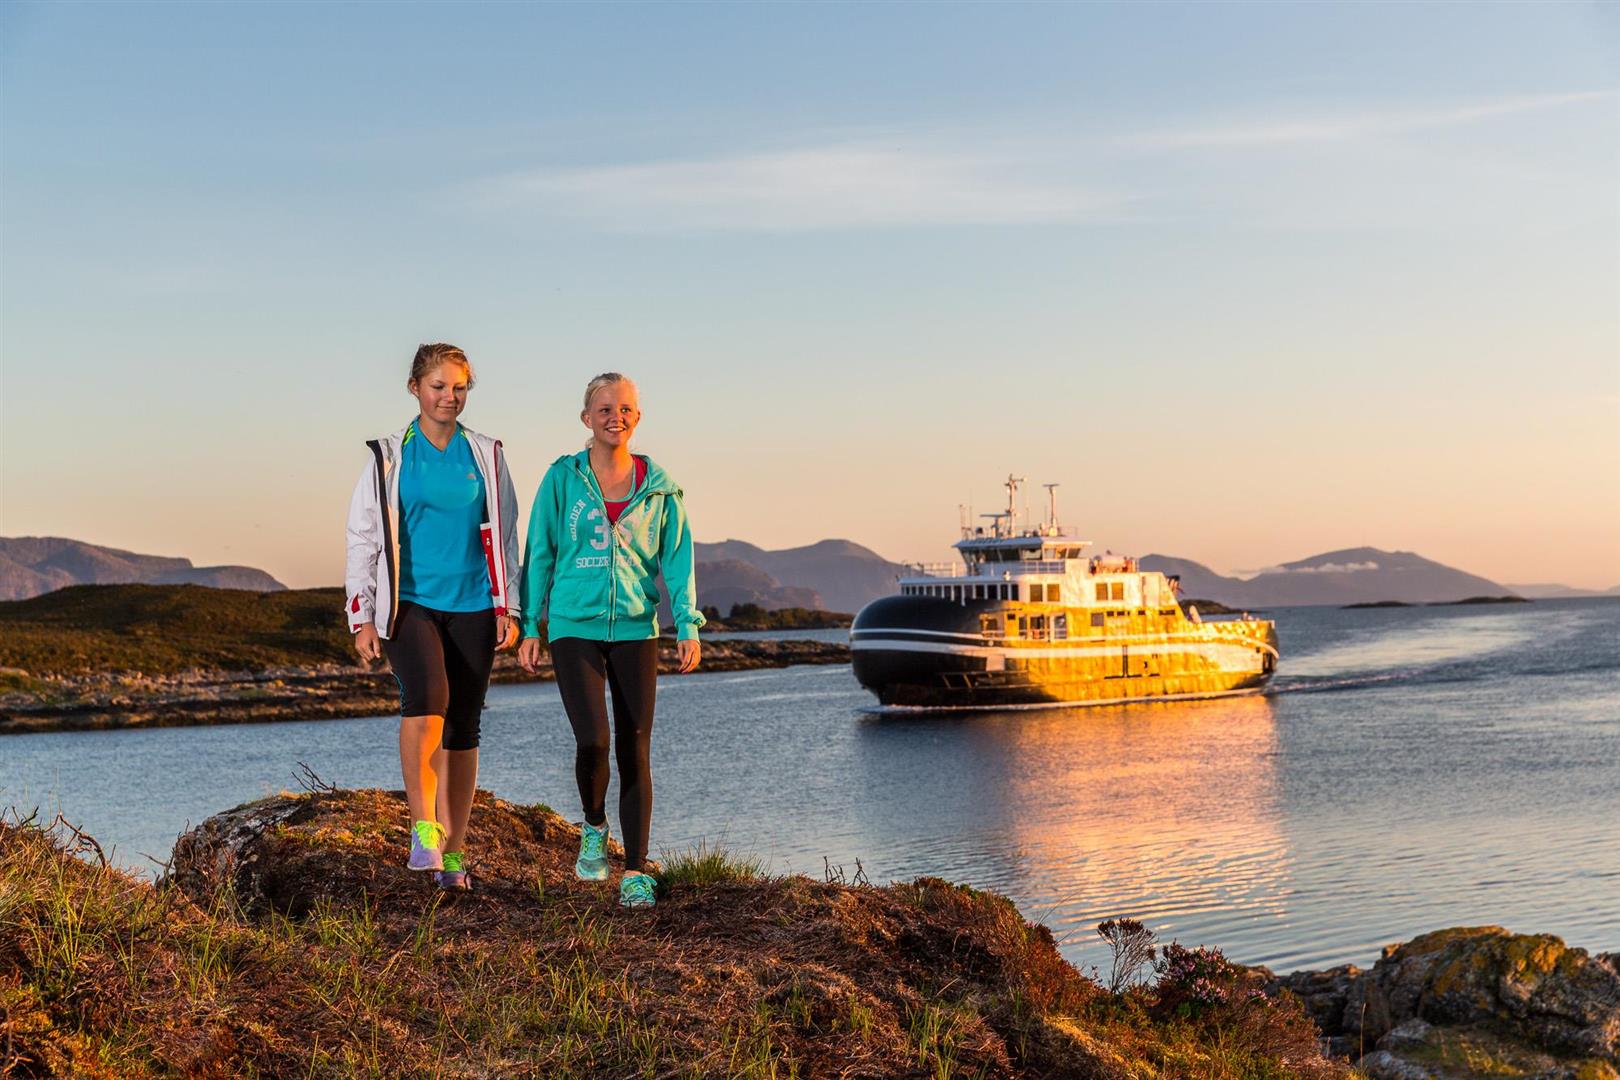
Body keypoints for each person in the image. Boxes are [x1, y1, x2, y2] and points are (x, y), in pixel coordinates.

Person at [517, 372, 703, 909]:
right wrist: (533, 624)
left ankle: (637, 870)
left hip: (636, 630)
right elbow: (542, 552)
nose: (614, 417)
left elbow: (677, 559)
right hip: (574, 626)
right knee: (593, 738)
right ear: (586, 418)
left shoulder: (662, 489)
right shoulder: (562, 479)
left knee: (635, 746)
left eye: (624, 409)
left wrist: (686, 623)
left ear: (637, 418)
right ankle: (594, 826)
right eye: (603, 409)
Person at [344, 343, 520, 890]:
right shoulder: (389, 457)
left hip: (473, 605)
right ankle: (424, 832)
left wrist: (507, 607)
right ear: (415, 388)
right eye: (439, 386)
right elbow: (363, 539)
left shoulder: (486, 455)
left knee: (464, 727)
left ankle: (455, 853)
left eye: (460, 387)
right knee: (428, 703)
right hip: (410, 604)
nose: (450, 397)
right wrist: (362, 616)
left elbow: (507, 534)